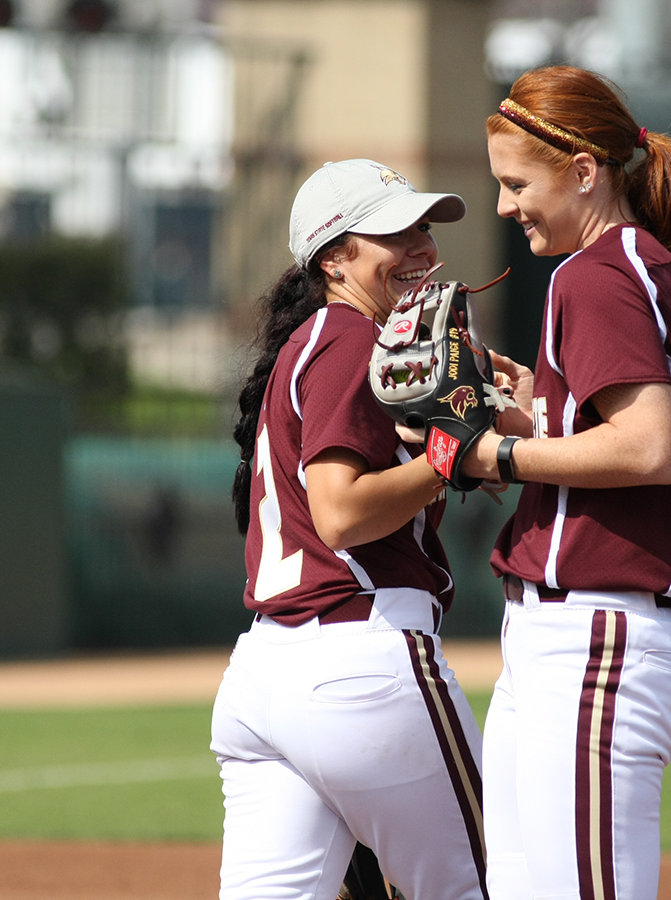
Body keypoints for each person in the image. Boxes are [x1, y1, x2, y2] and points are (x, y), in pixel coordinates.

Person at [460, 67, 671, 900]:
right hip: (578, 640)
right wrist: (533, 406)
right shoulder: (670, 277)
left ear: (584, 171)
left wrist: (495, 458)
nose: (506, 207)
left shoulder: (596, 275)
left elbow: (652, 454)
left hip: (596, 641)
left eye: (517, 184)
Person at [212, 159, 489, 900]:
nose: (424, 246)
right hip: (362, 663)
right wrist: (448, 454)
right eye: (396, 232)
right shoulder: (345, 338)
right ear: (335, 257)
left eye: (425, 227)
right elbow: (340, 511)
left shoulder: (316, 343)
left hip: (264, 681)